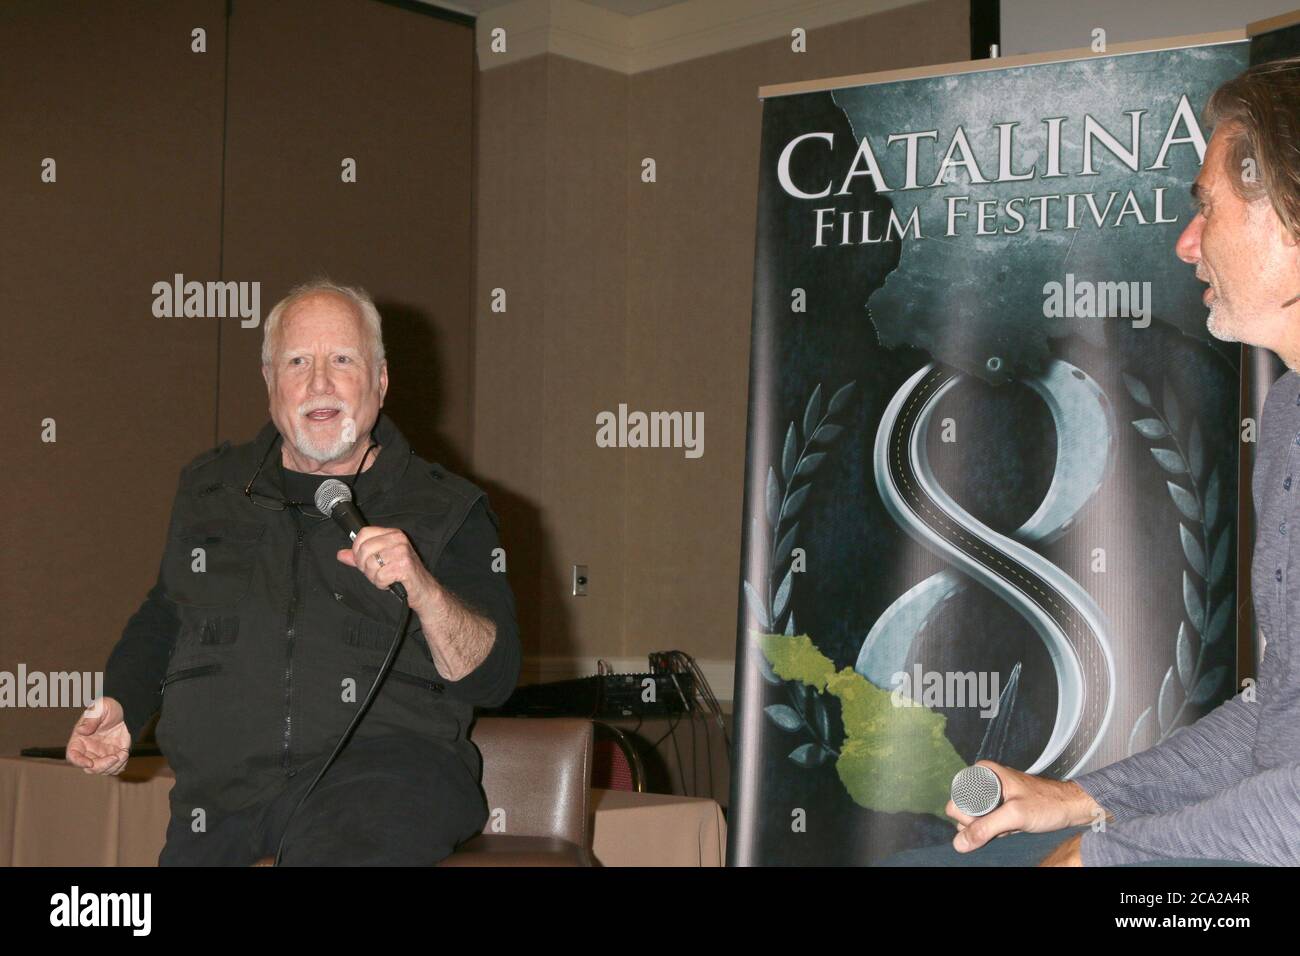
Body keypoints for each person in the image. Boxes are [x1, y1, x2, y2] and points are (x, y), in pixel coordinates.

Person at [881, 57, 1300, 868]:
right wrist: (1075, 801)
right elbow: (1277, 717)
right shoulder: (1287, 415)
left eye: (1205, 208)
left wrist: (1101, 862)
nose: (1186, 242)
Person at [64, 279, 521, 866]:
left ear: (380, 381)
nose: (319, 382)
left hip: (382, 783)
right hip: (222, 799)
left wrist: (427, 593)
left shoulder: (446, 506)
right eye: (298, 361)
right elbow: (166, 616)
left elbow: (494, 676)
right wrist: (122, 706)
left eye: (342, 360)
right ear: (270, 381)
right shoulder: (211, 489)